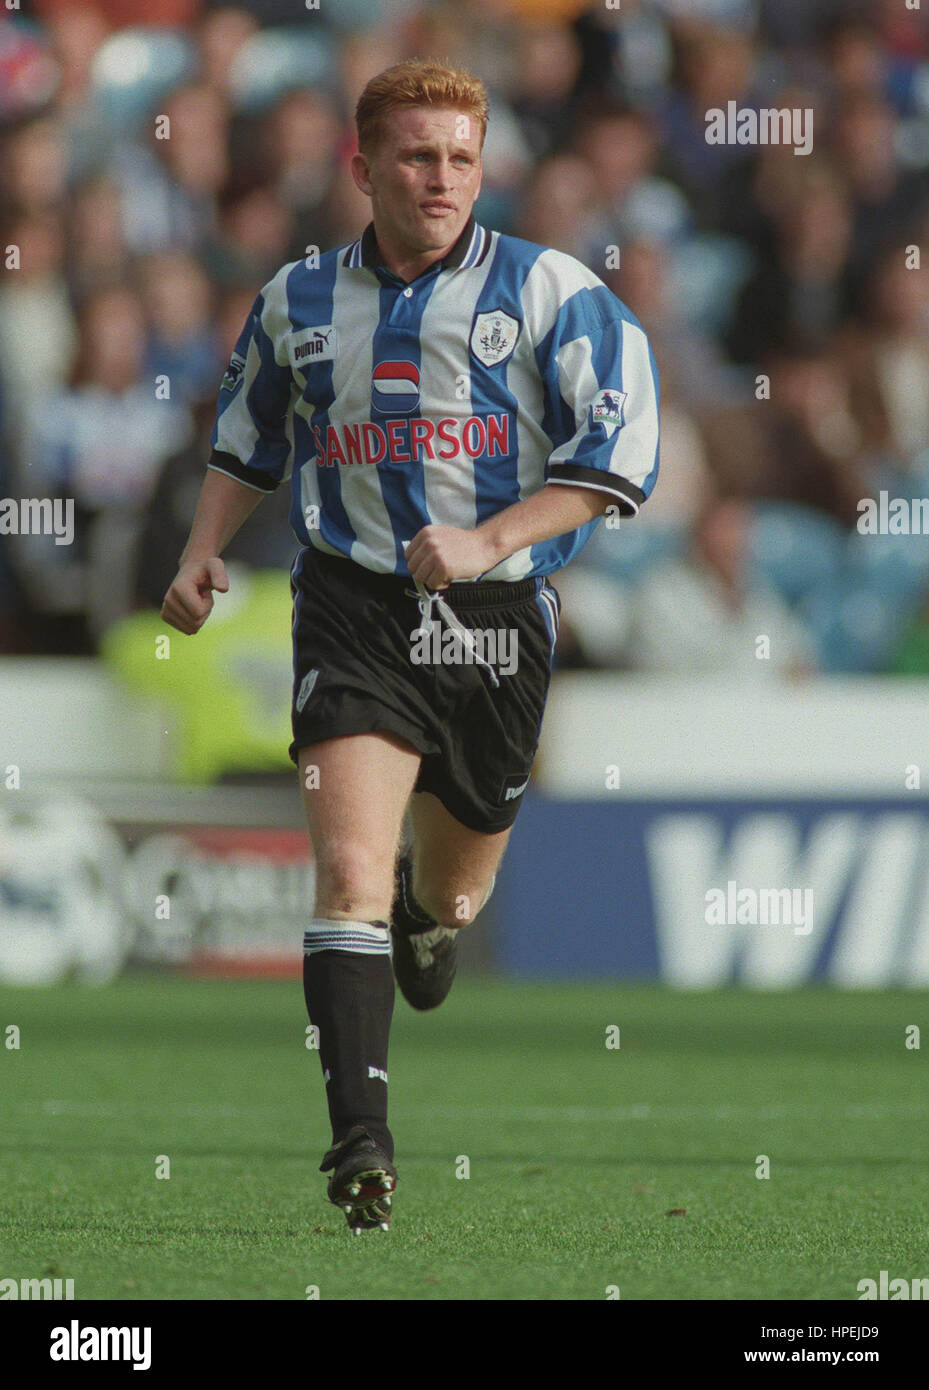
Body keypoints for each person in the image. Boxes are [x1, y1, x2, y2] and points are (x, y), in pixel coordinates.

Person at [161, 58, 659, 1234]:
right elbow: (247, 434)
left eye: (461, 160)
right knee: (343, 878)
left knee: (448, 890)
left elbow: (620, 454)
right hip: (354, 606)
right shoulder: (294, 298)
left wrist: (491, 535)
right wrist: (199, 550)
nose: (441, 180)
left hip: (496, 621)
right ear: (361, 166)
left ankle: (426, 914)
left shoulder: (547, 291)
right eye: (417, 156)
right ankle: (360, 1147)